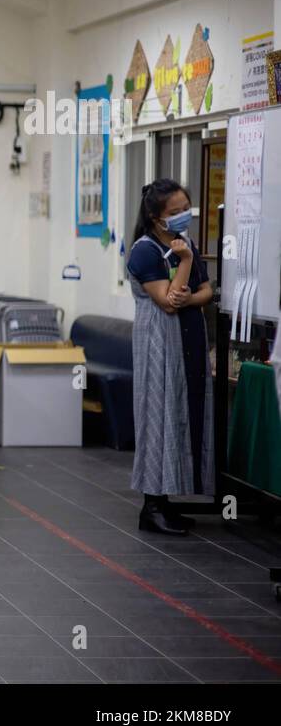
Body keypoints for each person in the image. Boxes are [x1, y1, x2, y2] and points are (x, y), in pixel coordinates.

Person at [126, 178, 213, 535]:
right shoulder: (144, 251)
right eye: (174, 212)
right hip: (159, 345)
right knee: (157, 417)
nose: (182, 218)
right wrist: (187, 262)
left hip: (188, 344)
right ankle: (152, 505)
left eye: (185, 210)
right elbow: (168, 300)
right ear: (155, 216)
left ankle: (169, 501)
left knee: (180, 415)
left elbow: (204, 291)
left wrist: (189, 293)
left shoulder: (185, 243)